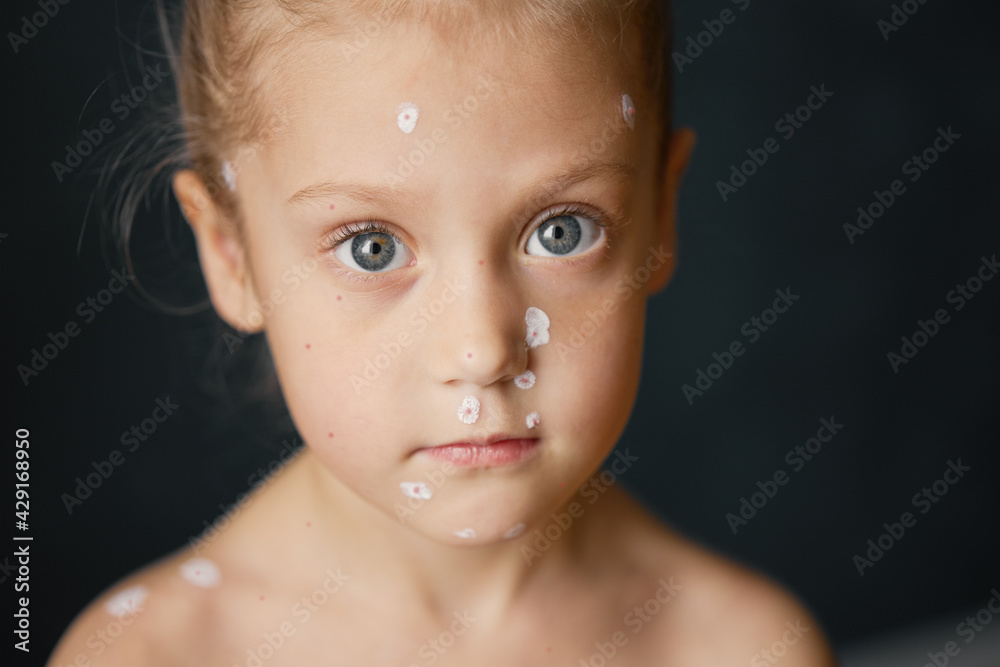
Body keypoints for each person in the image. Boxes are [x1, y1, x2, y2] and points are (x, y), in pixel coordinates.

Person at [49, 0, 837, 664]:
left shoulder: (740, 648)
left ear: (659, 217)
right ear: (232, 255)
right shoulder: (146, 656)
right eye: (372, 247)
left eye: (562, 231)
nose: (483, 350)